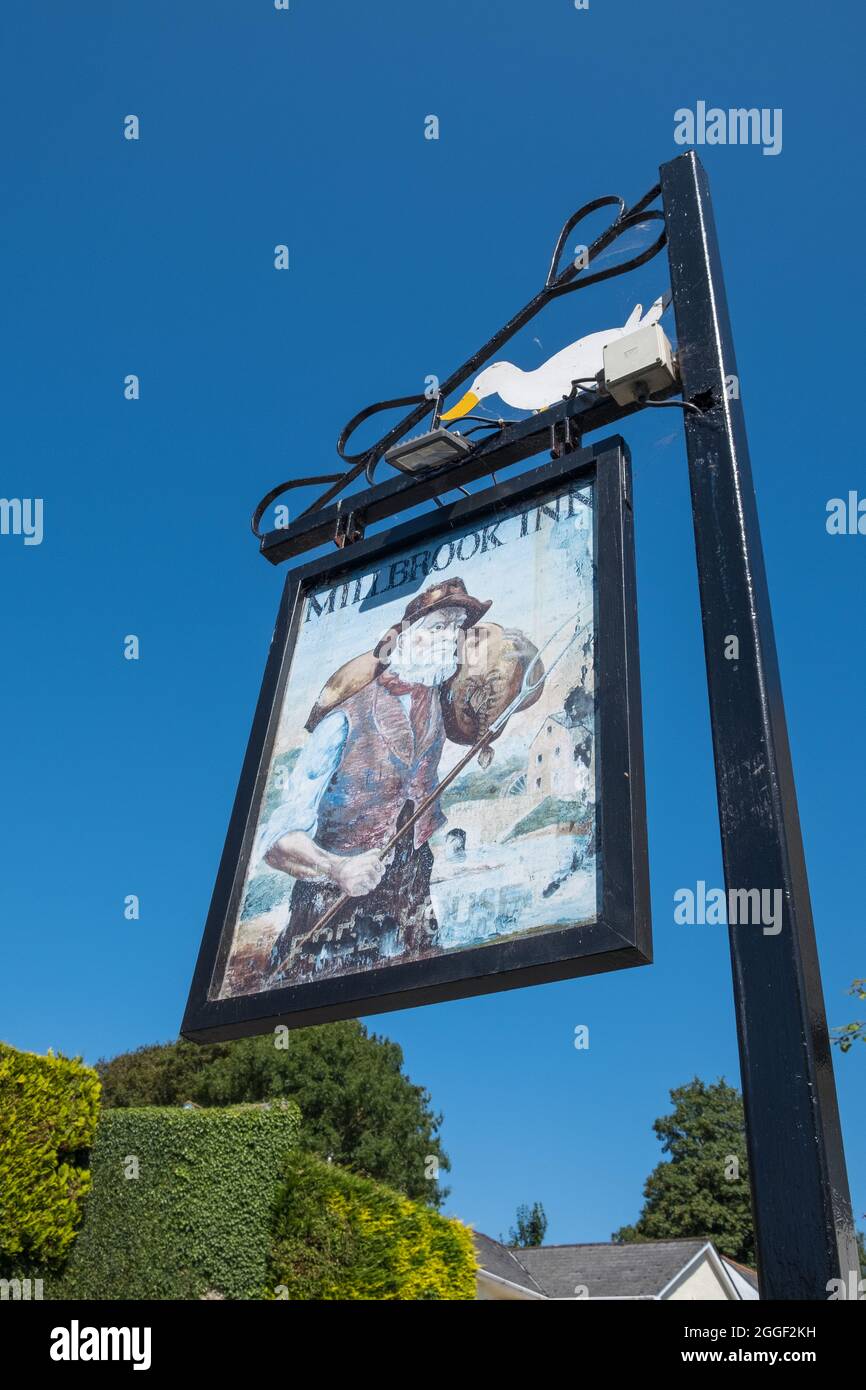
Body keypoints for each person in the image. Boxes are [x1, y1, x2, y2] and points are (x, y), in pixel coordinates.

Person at [259, 577, 491, 980]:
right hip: (333, 907)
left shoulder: (434, 701)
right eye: (438, 627)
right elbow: (275, 838)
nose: (449, 639)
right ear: (402, 639)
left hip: (410, 897)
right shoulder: (344, 716)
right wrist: (336, 869)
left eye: (456, 629)